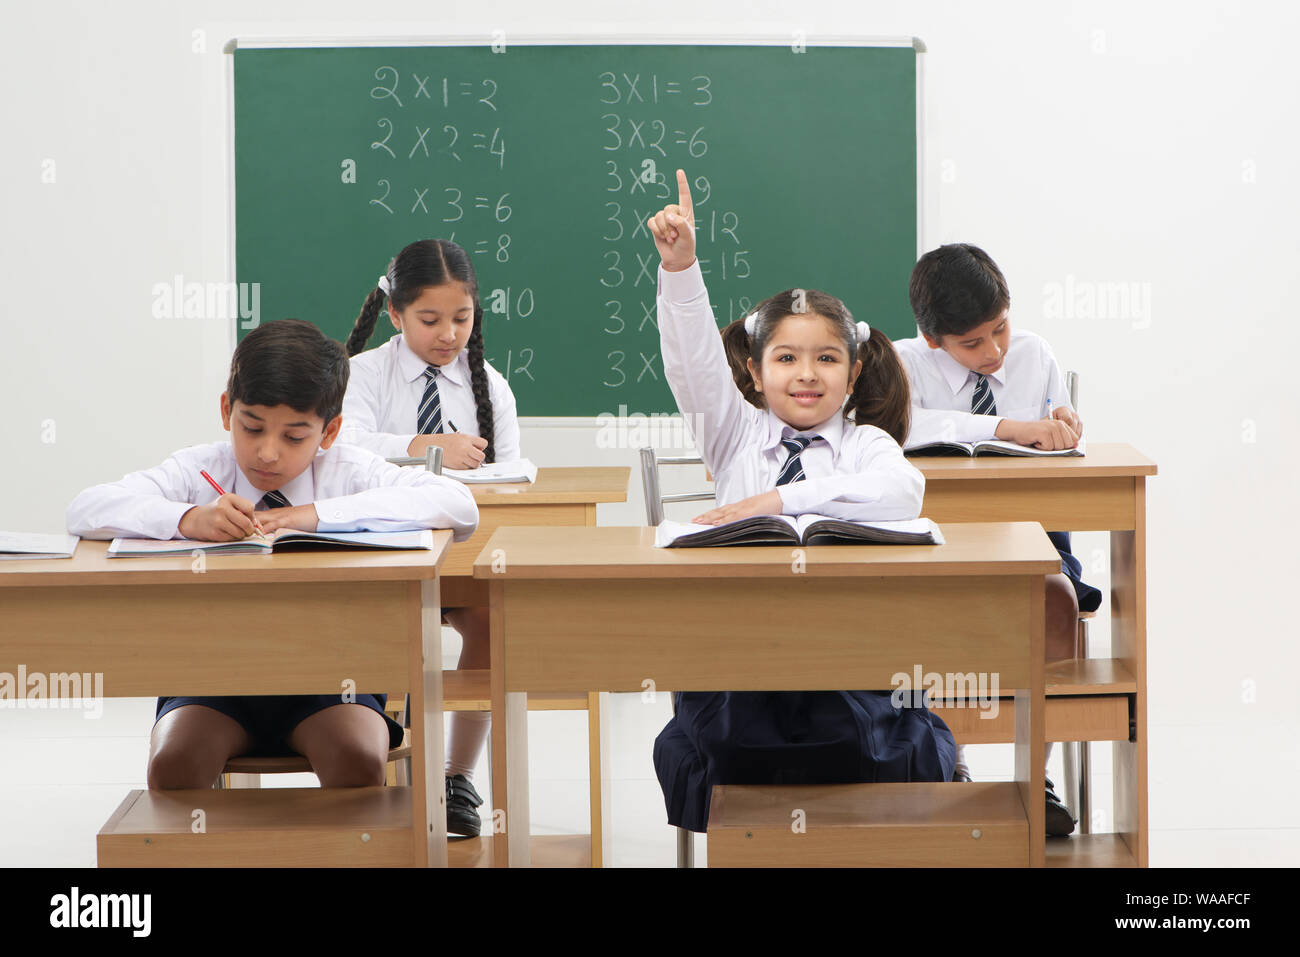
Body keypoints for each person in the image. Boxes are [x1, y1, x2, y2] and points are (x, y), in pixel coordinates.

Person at [646, 170, 954, 832]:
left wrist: (783, 499)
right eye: (785, 357)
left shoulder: (868, 443)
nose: (807, 373)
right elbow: (693, 363)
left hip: (849, 660)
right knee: (736, 739)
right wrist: (681, 268)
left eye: (827, 359)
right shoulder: (731, 432)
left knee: (852, 736)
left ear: (854, 372)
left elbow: (906, 489)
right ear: (755, 372)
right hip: (740, 660)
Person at [67, 318, 478, 790]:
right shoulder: (200, 470)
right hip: (212, 681)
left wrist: (312, 515)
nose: (266, 452)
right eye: (252, 427)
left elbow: (458, 504)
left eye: (294, 436)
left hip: (331, 680)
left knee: (357, 760)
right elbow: (85, 508)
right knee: (174, 766)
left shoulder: (346, 469)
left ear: (330, 431)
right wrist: (187, 520)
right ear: (227, 411)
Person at [896, 242, 1102, 835]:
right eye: (972, 343)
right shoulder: (905, 361)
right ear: (934, 339)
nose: (993, 352)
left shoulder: (1035, 354)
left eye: (1000, 330)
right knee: (930, 624)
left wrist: (1063, 426)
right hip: (942, 541)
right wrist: (1010, 426)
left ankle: (1034, 776)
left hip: (1034, 535)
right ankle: (948, 764)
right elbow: (902, 426)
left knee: (1048, 610)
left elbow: (1063, 425)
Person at [340, 238, 519, 837]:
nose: (449, 334)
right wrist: (421, 448)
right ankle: (385, 760)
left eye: (462, 318)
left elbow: (512, 483)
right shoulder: (362, 375)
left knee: (493, 622)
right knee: (390, 627)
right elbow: (336, 443)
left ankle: (453, 775)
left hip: (461, 558)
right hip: (374, 562)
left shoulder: (488, 384)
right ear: (394, 313)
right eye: (430, 319)